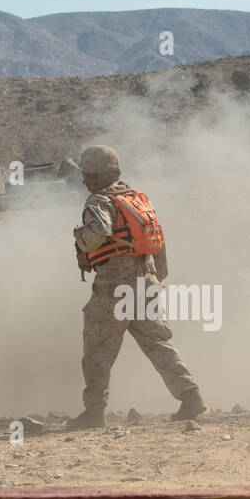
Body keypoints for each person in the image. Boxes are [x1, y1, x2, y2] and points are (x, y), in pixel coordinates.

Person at [69, 145, 206, 428]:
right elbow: (158, 241)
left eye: (88, 176)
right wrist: (155, 279)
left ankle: (94, 412)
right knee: (157, 342)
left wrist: (81, 239)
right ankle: (191, 397)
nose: (86, 182)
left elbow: (100, 233)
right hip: (147, 280)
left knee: (97, 347)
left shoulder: (99, 201)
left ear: (96, 176)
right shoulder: (137, 199)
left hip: (114, 286)